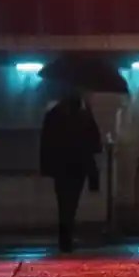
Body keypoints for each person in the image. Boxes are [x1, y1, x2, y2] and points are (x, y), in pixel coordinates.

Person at [39, 92, 102, 252]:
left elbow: (46, 142)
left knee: (63, 201)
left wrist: (46, 166)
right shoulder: (83, 116)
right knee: (72, 201)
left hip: (61, 165)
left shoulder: (53, 115)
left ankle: (65, 236)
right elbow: (95, 142)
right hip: (78, 165)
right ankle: (66, 236)